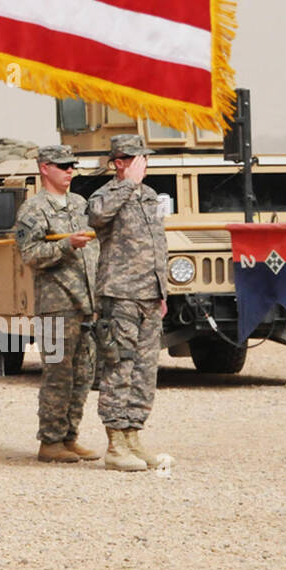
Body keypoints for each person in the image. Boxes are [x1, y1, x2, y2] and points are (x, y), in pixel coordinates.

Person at [87, 134, 171, 472]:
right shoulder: (105, 195)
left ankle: (134, 434)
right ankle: (115, 444)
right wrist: (127, 184)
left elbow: (157, 246)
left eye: (145, 159)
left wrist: (162, 292)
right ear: (119, 162)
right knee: (119, 366)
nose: (143, 164)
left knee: (145, 370)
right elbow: (97, 218)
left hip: (150, 296)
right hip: (120, 295)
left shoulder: (150, 196)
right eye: (136, 159)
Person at [15, 144, 100, 463]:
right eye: (62, 166)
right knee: (58, 373)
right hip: (57, 303)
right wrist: (66, 245)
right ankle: (50, 441)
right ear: (44, 168)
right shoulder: (33, 210)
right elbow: (29, 254)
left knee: (83, 374)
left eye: (72, 166)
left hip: (86, 301)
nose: (69, 171)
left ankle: (69, 437)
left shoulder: (80, 204)